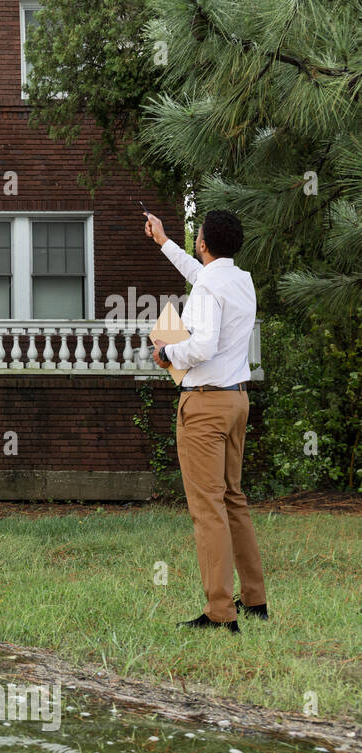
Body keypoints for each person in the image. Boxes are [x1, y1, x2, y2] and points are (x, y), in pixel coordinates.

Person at [144, 209, 268, 633]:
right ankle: (254, 600)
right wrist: (163, 242)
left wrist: (166, 353)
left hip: (204, 407)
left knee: (207, 508)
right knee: (233, 500)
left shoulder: (208, 288)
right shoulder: (238, 280)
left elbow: (203, 346)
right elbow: (201, 274)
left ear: (203, 241)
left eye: (195, 236)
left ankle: (220, 612)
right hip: (236, 403)